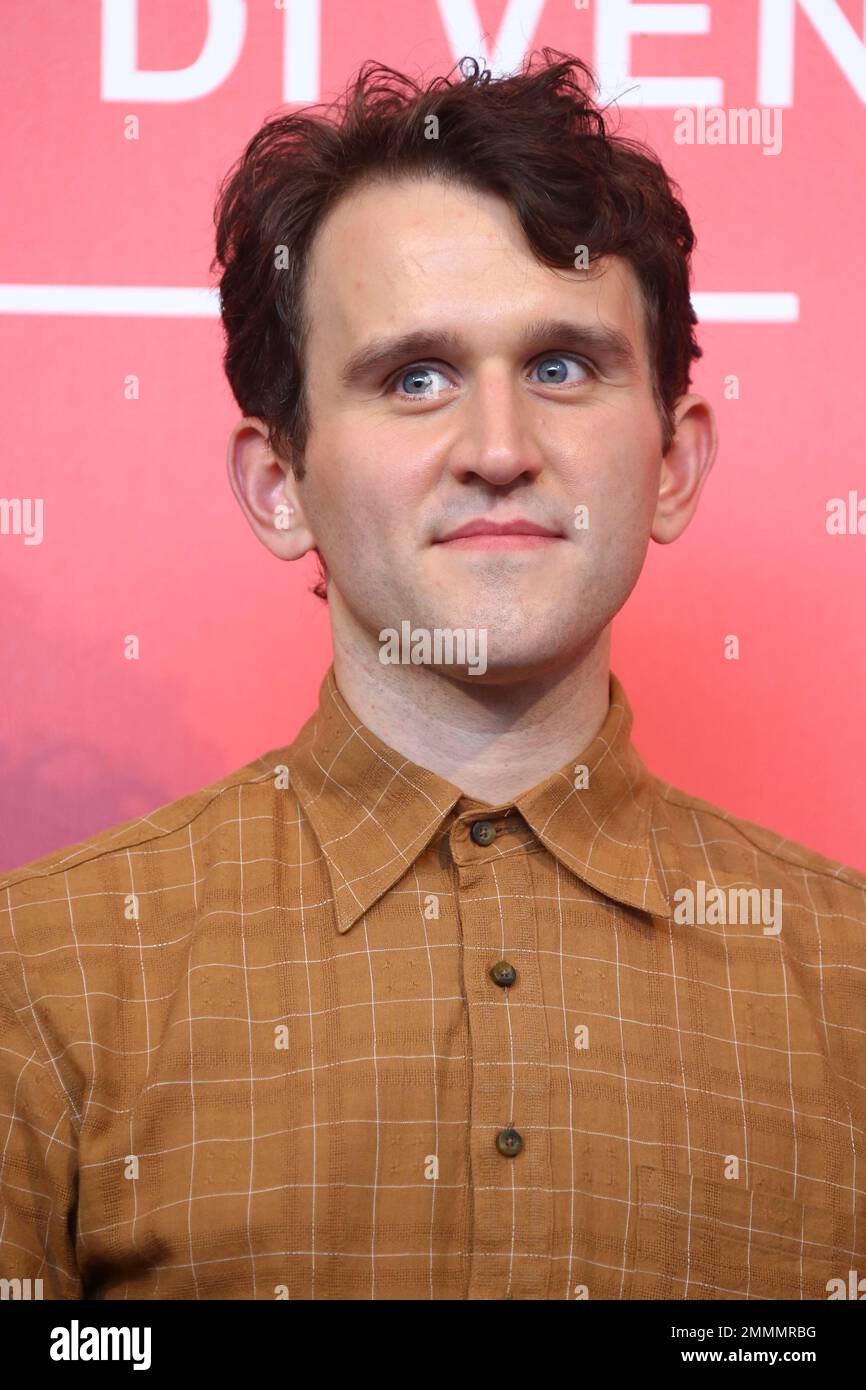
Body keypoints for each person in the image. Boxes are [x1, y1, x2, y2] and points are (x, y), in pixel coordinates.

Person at [1, 51, 864, 1303]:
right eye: (414, 377)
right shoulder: (37, 971)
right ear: (277, 484)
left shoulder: (848, 978)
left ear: (671, 462)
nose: (500, 449)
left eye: (562, 366)